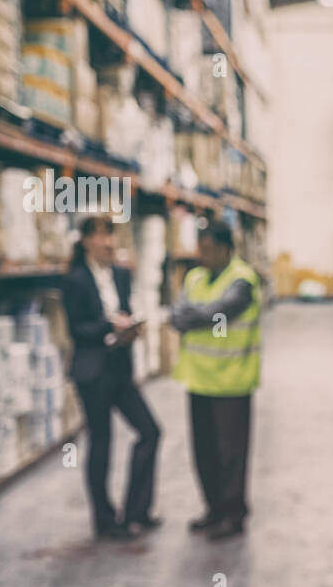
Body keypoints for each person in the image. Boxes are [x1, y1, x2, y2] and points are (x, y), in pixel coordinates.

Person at [63, 215, 163, 540]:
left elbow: (124, 310)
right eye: (100, 235)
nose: (108, 242)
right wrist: (110, 326)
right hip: (92, 372)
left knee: (150, 431)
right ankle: (105, 521)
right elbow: (77, 330)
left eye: (110, 234)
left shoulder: (121, 274)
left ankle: (137, 511)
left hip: (119, 368)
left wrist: (130, 329)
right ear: (86, 241)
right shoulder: (76, 280)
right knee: (102, 443)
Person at [169, 219, 262, 541]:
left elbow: (220, 313)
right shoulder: (194, 277)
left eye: (209, 250)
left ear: (225, 249)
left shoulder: (242, 281)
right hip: (198, 380)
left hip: (232, 383)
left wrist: (195, 315)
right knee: (204, 452)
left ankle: (233, 514)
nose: (203, 256)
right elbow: (176, 315)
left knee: (231, 454)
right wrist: (195, 314)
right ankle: (213, 510)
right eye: (200, 249)